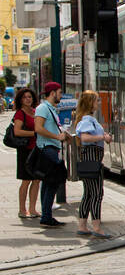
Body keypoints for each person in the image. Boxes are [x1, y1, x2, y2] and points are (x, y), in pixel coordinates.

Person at [72, 91, 108, 238]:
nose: (98, 103)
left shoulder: (87, 119)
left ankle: (82, 225)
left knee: (88, 193)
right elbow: (86, 138)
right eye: (96, 101)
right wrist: (103, 137)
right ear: (90, 103)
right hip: (92, 158)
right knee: (97, 193)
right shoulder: (87, 120)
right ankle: (96, 226)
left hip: (89, 157)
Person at [32, 80, 67, 226]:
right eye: (59, 93)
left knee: (49, 183)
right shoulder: (42, 108)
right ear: (52, 93)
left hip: (52, 148)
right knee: (53, 181)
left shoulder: (51, 108)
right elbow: (38, 128)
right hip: (47, 148)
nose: (61, 95)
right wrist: (57, 137)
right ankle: (46, 216)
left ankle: (46, 215)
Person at [12, 85, 41, 218]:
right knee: (26, 180)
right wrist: (34, 133)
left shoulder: (35, 111)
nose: (27, 99)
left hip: (36, 149)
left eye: (29, 97)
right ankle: (22, 210)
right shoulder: (20, 113)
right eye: (24, 97)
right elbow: (17, 131)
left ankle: (33, 209)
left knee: (36, 180)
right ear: (20, 100)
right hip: (25, 150)